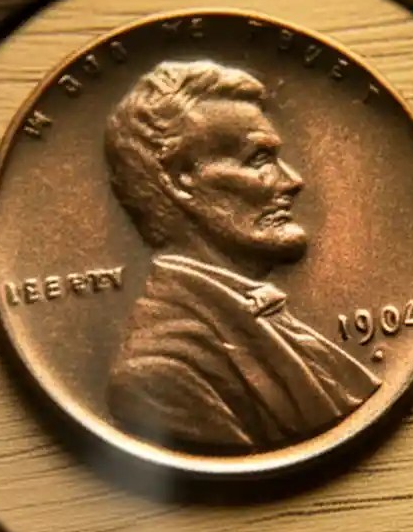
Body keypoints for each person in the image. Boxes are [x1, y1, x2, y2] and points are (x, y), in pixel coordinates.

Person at [104, 60, 380, 452]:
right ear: (180, 178)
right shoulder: (159, 375)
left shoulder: (257, 315)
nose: (292, 181)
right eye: (258, 160)